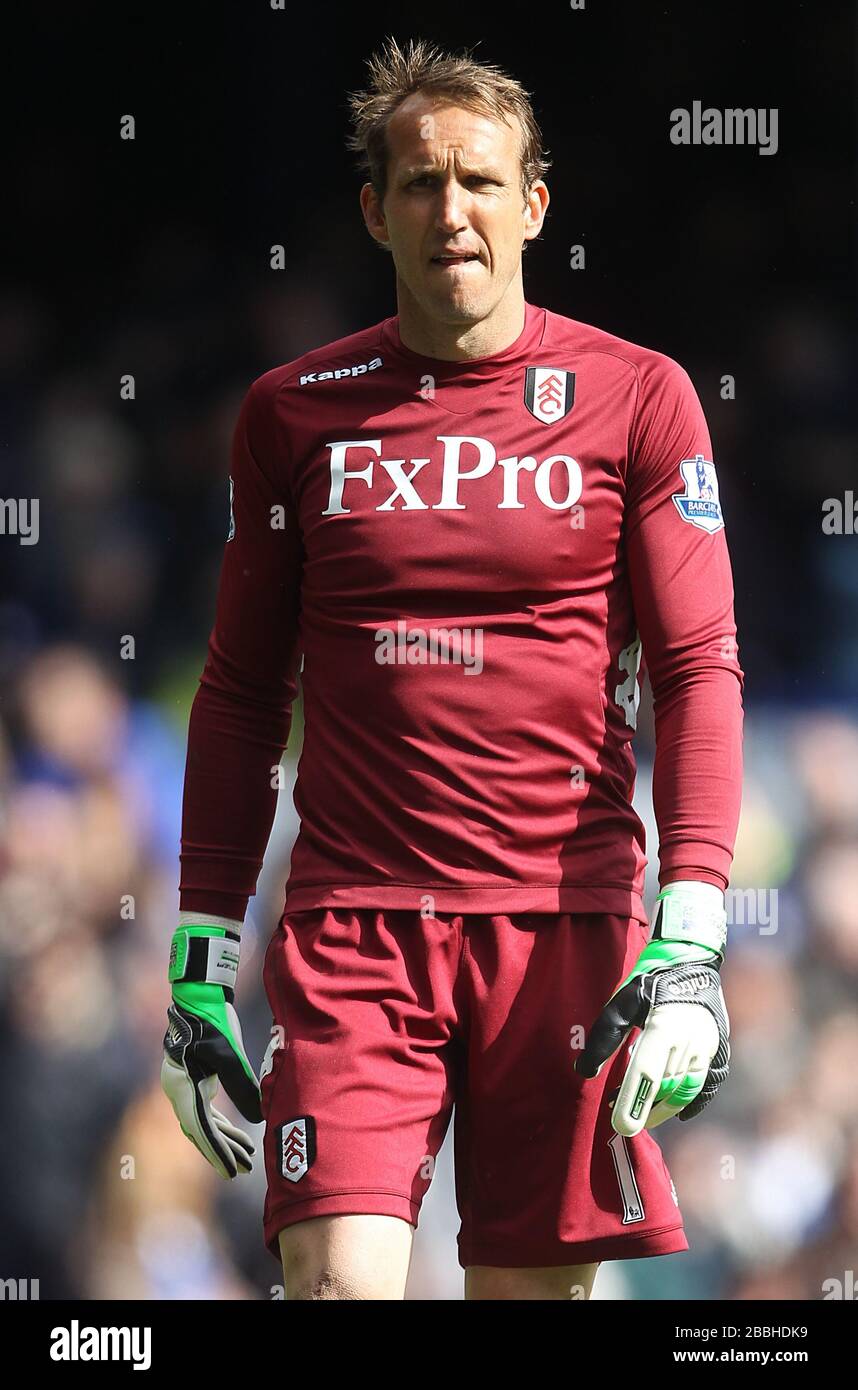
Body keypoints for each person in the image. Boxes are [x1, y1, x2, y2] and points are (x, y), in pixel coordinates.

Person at [161, 36, 743, 1301]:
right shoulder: (291, 412)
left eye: (480, 182)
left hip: (566, 924)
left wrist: (690, 937)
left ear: (534, 203)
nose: (452, 212)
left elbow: (699, 665)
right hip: (356, 929)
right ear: (377, 211)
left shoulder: (641, 398)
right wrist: (202, 953)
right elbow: (242, 692)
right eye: (420, 184)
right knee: (332, 1285)